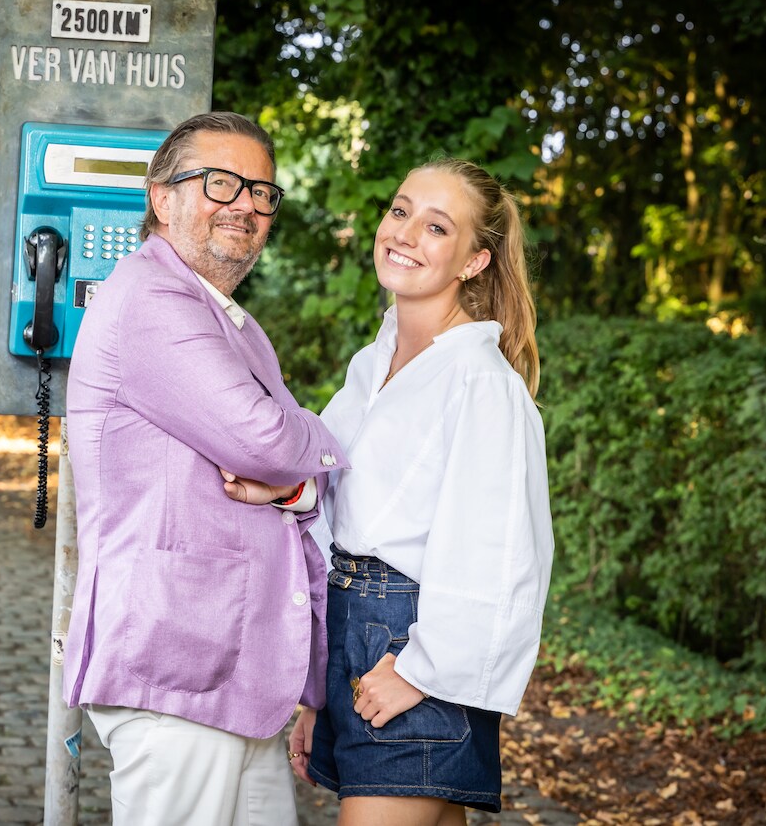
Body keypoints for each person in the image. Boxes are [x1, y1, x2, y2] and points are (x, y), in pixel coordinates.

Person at [223, 158, 554, 825]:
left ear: (473, 261)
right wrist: (283, 495)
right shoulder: (373, 361)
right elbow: (358, 502)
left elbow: (500, 555)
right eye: (400, 211)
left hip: (415, 644)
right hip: (354, 631)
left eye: (436, 227)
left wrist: (419, 667)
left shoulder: (479, 382)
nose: (403, 233)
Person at [62, 111, 349, 825]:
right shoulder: (152, 298)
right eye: (221, 183)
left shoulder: (224, 316)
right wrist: (329, 439)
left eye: (261, 190)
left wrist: (293, 476)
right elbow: (266, 438)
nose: (246, 204)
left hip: (235, 672)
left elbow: (280, 464)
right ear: (162, 198)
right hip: (177, 664)